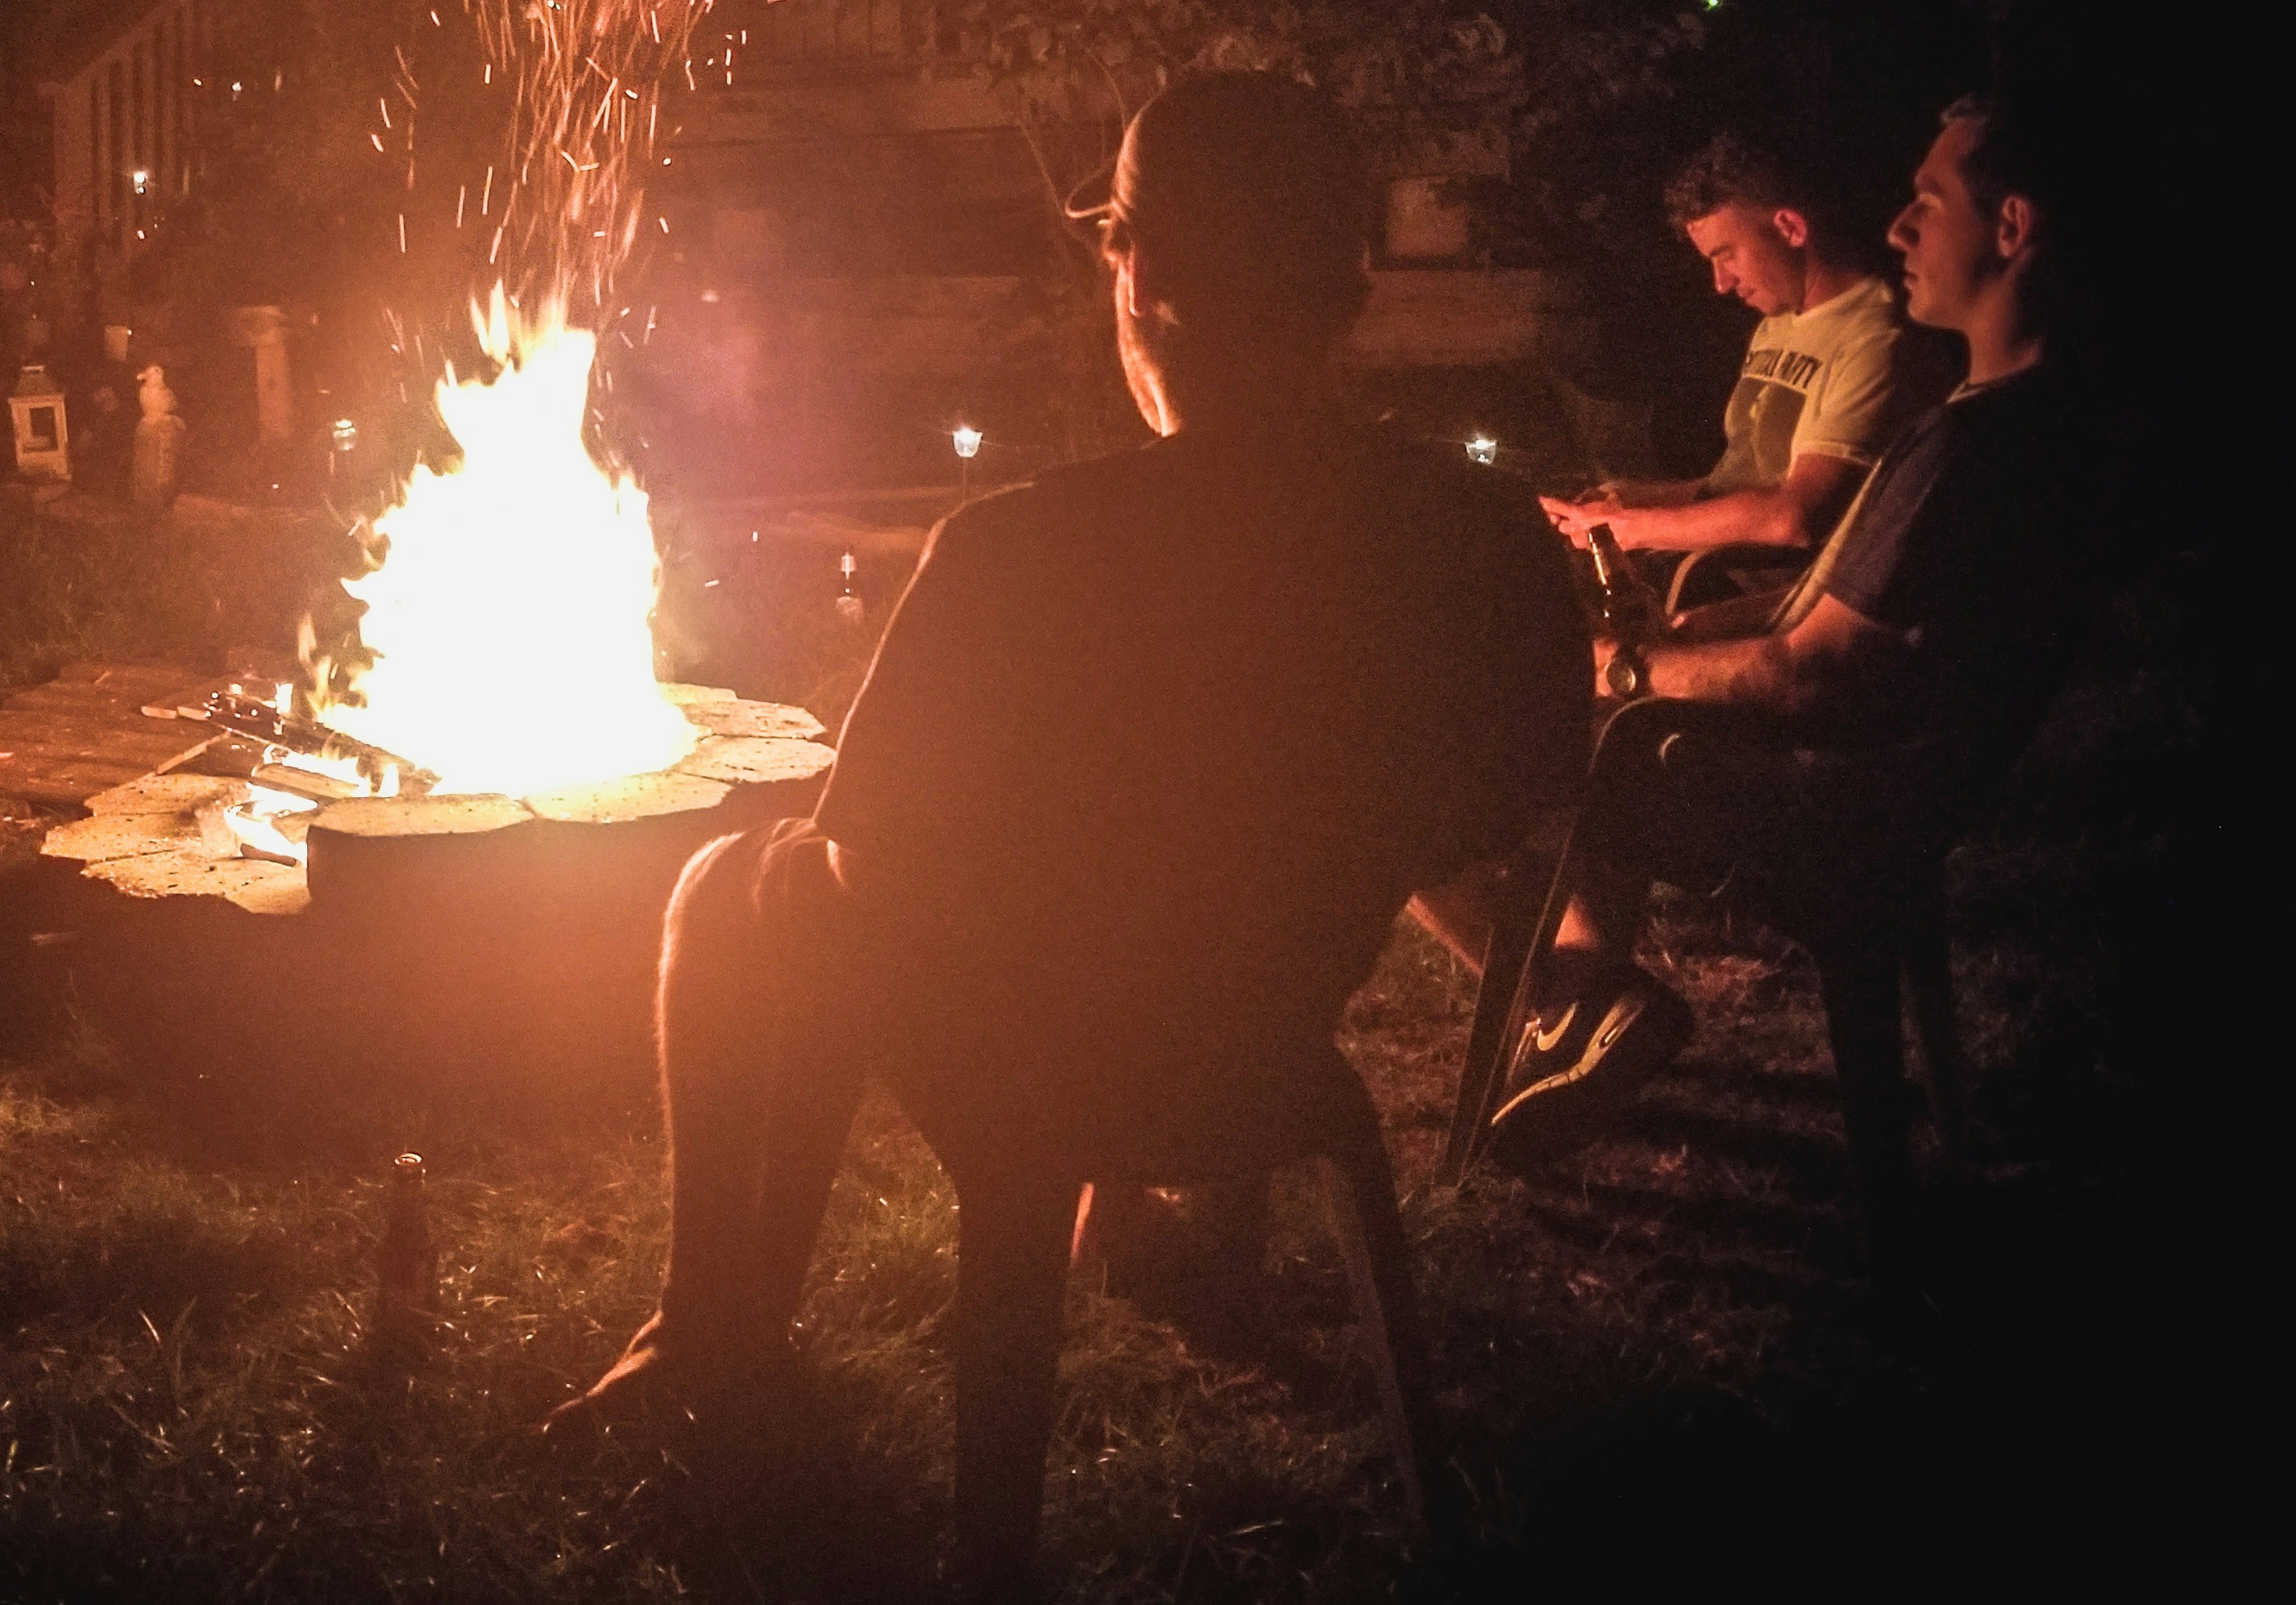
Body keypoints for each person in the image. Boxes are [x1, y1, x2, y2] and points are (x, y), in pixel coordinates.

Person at [555, 72, 1590, 1458]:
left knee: (741, 883)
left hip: (1038, 1055)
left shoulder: (1024, 547)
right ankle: (1133, 1243)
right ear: (1346, 275)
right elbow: (1504, 793)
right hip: (1270, 1028)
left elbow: (870, 854)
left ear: (1140, 265)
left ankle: (707, 1339)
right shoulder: (1481, 534)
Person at [1487, 88, 2121, 1161]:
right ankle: (1589, 1000)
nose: (1896, 228)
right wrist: (1657, 642)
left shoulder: (1970, 453)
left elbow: (1805, 676)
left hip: (1825, 804)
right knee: (1507, 698)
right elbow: (1819, 610)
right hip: (1884, 781)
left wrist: (1624, 669)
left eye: (1928, 202)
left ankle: (1584, 994)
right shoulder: (2008, 426)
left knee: (1415, 742)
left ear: (2010, 230)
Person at [1543, 133, 1951, 563]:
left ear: (1790, 228)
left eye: (1727, 255)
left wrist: (1630, 530)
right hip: (1725, 574)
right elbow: (1738, 487)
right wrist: (1638, 500)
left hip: (1782, 599)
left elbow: (1796, 517)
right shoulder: (1776, 326)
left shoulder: (1876, 335)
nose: (1720, 284)